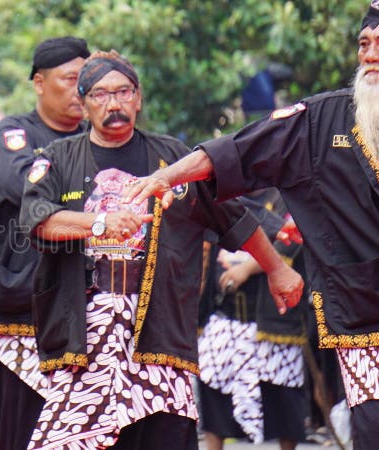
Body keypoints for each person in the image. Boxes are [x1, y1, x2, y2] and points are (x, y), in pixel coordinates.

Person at [18, 50, 303, 450]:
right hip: (84, 334)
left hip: (159, 329)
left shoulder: (174, 160)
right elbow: (37, 219)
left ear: (138, 98)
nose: (113, 103)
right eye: (100, 94)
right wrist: (99, 223)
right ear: (83, 104)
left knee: (162, 436)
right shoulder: (58, 159)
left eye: (123, 92)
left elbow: (233, 218)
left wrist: (276, 268)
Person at [124, 4, 379, 448]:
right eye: (364, 44)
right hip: (364, 319)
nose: (370, 55)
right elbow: (239, 149)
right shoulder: (322, 119)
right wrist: (168, 177)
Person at [0, 36, 89, 450]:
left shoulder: (98, 139)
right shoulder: (15, 133)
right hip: (25, 305)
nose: (81, 90)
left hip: (87, 306)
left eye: (86, 80)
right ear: (39, 83)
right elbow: (29, 189)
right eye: (70, 79)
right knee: (21, 433)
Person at [196, 191, 309, 450]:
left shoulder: (285, 196)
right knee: (213, 392)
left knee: (284, 399)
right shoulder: (220, 194)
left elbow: (293, 240)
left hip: (271, 321)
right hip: (223, 317)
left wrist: (247, 268)